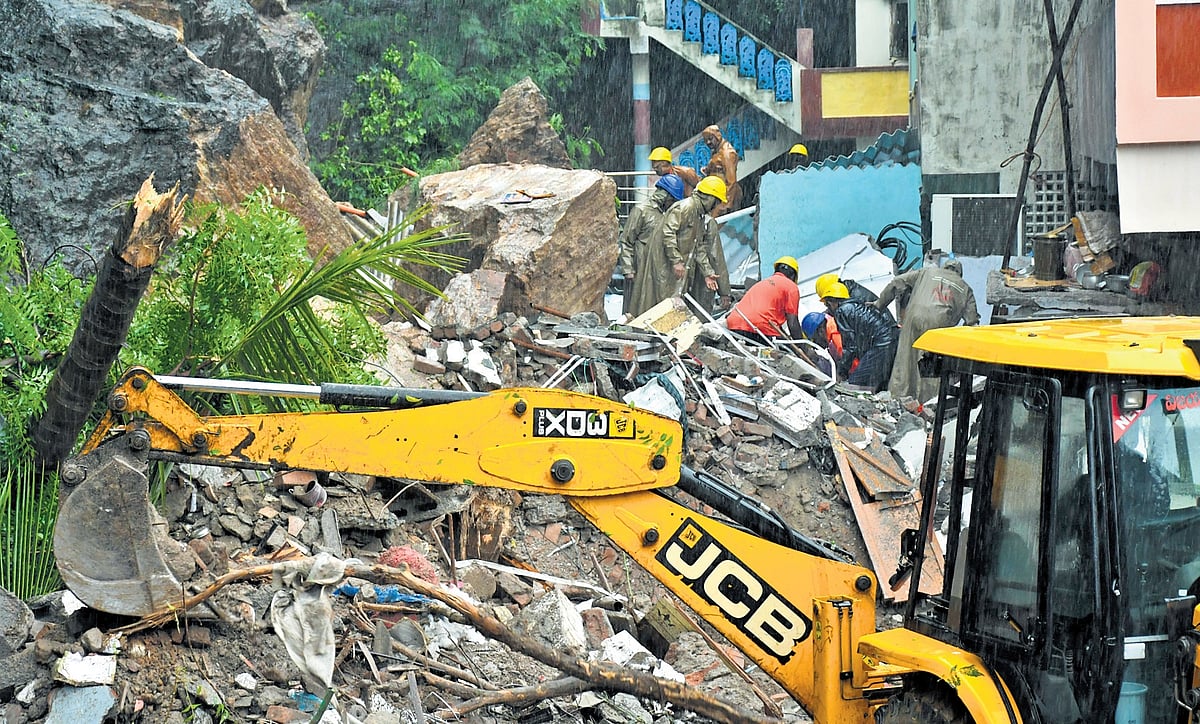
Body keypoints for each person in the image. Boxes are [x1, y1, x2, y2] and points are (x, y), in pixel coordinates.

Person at [873, 258, 980, 402]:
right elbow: (972, 322)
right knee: (931, 368)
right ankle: (929, 403)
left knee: (905, 360)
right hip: (940, 326)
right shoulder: (965, 288)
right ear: (960, 273)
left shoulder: (926, 272)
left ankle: (897, 399)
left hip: (914, 317)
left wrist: (879, 304)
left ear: (944, 267)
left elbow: (896, 283)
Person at [629, 176, 726, 316]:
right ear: (709, 198)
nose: (716, 206)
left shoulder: (698, 215)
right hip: (664, 263)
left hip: (675, 265)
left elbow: (698, 247)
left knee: (673, 301)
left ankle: (665, 333)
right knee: (661, 301)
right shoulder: (685, 207)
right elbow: (668, 232)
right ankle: (653, 333)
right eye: (716, 202)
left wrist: (708, 272)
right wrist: (676, 260)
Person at [618, 174, 685, 315]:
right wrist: (628, 269)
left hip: (656, 266)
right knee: (635, 304)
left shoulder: (667, 214)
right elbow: (626, 240)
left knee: (652, 304)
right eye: (671, 199)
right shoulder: (641, 210)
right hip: (639, 263)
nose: (672, 203)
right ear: (665, 195)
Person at [821, 282, 898, 393]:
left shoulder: (842, 311)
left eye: (827, 305)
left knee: (856, 382)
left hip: (881, 343)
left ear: (832, 302)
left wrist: (841, 371)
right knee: (879, 379)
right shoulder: (857, 305)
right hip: (890, 339)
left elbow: (850, 346)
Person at [725, 256, 802, 341]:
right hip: (757, 329)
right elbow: (793, 323)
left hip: (734, 324)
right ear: (793, 276)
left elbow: (770, 320)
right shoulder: (791, 287)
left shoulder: (762, 283)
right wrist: (803, 346)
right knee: (785, 351)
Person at [699, 125, 742, 215]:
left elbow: (731, 181)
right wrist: (708, 170)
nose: (708, 142)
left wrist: (726, 204)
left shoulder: (727, 153)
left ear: (717, 136)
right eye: (705, 140)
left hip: (724, 197)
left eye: (710, 138)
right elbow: (718, 167)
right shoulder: (717, 149)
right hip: (716, 194)